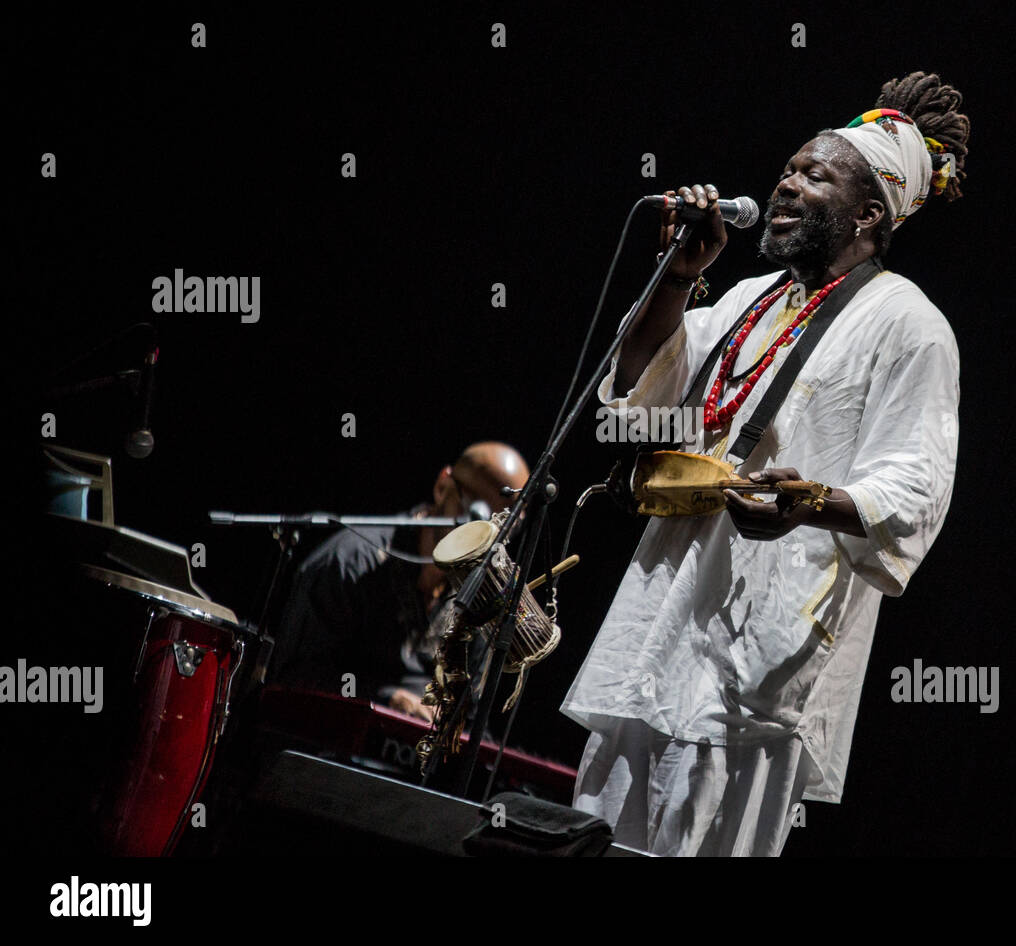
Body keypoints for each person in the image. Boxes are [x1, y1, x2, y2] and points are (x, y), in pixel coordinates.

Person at [561, 72, 970, 855]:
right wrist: (678, 278)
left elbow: (915, 484)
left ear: (869, 214)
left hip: (761, 656)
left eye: (816, 174)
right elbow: (642, 411)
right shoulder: (750, 297)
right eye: (788, 167)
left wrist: (808, 503)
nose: (786, 181)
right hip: (658, 620)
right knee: (596, 837)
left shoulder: (911, 325)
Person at [268, 441, 529, 719]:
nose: (484, 536)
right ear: (443, 487)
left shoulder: (480, 597)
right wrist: (386, 702)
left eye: (502, 524)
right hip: (325, 745)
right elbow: (291, 677)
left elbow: (469, 714)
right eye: (476, 514)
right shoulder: (351, 562)